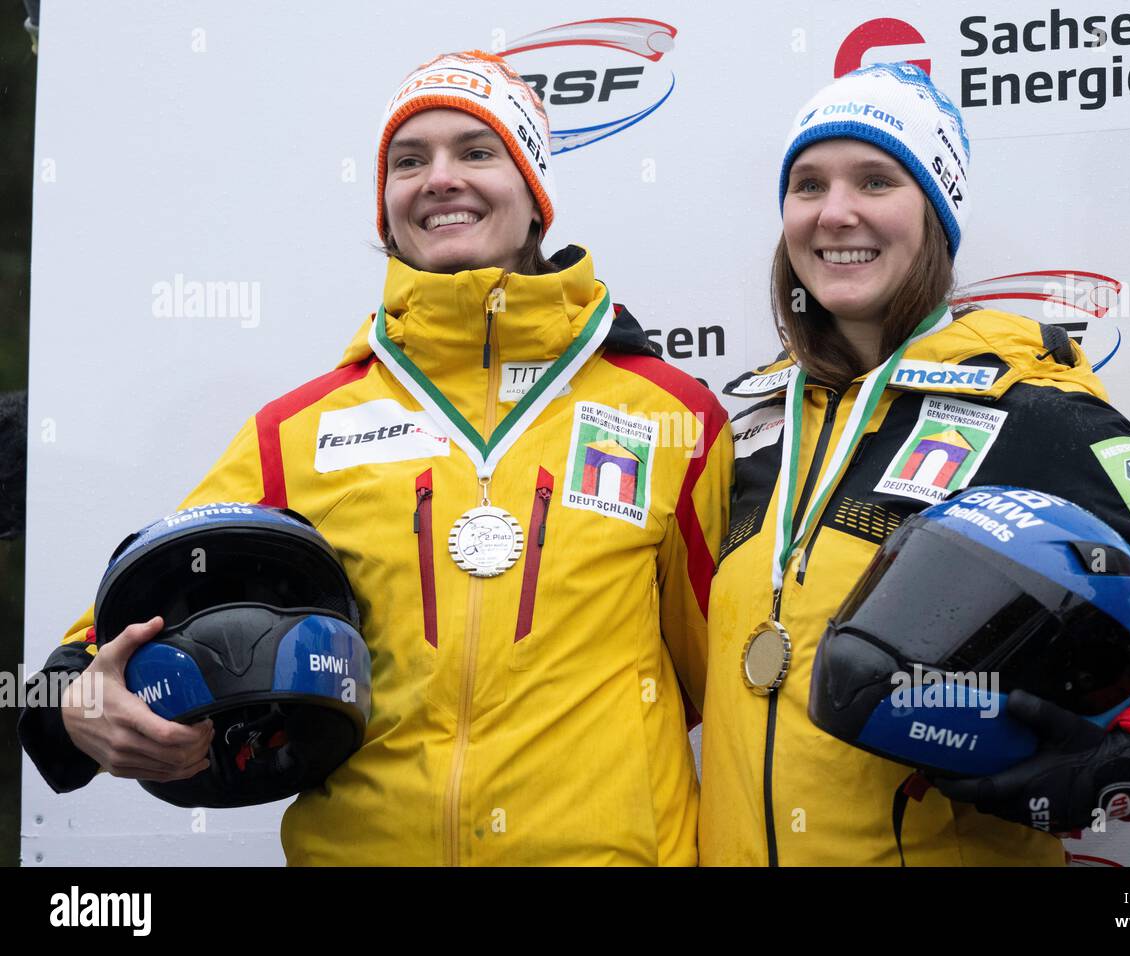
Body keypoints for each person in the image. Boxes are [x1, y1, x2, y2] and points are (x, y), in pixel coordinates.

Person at [20, 50, 732, 866]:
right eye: (408, 161)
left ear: (537, 195)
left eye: (476, 150)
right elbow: (102, 643)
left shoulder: (672, 415)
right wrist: (81, 707)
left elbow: (738, 694)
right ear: (385, 209)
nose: (439, 178)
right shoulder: (297, 431)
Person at [699, 63, 1130, 866]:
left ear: (937, 215)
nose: (835, 212)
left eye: (876, 180)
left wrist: (1128, 763)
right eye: (808, 185)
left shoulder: (1030, 410)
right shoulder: (755, 435)